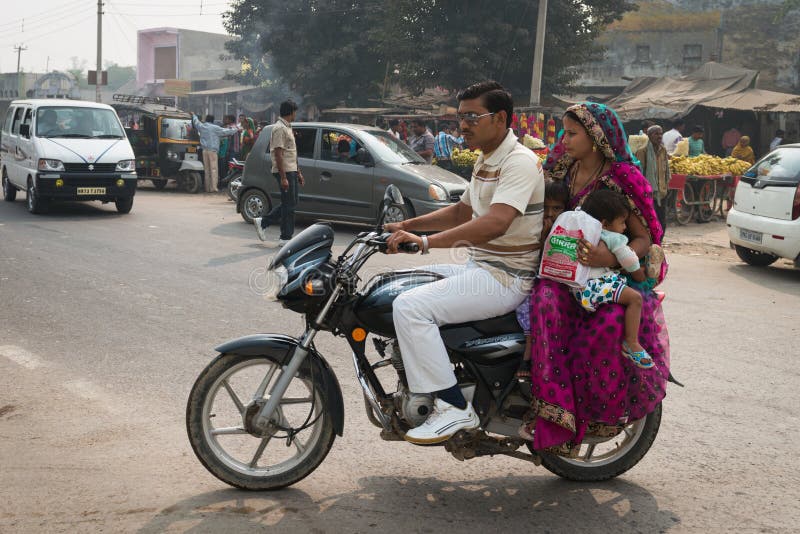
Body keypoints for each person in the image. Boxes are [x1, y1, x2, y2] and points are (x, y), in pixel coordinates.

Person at [384, 80, 544, 445]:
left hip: (506, 277)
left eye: (472, 117)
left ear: (500, 118)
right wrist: (405, 225)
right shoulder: (488, 159)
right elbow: (461, 211)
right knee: (396, 285)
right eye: (461, 118)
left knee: (410, 308)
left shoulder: (518, 162)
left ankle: (453, 406)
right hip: (481, 268)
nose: (463, 126)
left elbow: (496, 222)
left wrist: (424, 242)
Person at [526, 102, 669, 456]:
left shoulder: (622, 178)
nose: (565, 139)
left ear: (597, 137)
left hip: (604, 277)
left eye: (573, 133)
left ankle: (590, 418)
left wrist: (609, 256)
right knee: (545, 303)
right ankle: (554, 415)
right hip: (559, 275)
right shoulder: (560, 170)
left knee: (606, 328)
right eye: (564, 131)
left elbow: (644, 238)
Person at [515, 179, 569, 380]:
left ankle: (530, 349)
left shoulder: (569, 229)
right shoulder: (533, 226)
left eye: (557, 208)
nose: (550, 213)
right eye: (545, 207)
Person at [254, 100, 305, 245]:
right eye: (295, 111)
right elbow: (278, 154)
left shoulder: (287, 127)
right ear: (291, 112)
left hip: (291, 170)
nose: (296, 114)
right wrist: (283, 177)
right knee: (289, 205)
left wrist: (298, 172)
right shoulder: (279, 129)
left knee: (291, 203)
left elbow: (291, 153)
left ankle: (263, 222)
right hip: (284, 171)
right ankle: (285, 237)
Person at [635, 125, 671, 232]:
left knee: (662, 223)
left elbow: (666, 172)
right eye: (656, 134)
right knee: (650, 224)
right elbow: (639, 174)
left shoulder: (663, 150)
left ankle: (658, 245)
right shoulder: (642, 151)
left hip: (662, 193)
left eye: (661, 134)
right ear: (649, 136)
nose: (659, 136)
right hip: (648, 194)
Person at [191, 113, 238, 193]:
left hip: (204, 150)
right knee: (214, 169)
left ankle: (207, 188)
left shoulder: (202, 126)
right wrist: (236, 129)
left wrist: (193, 115)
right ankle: (213, 188)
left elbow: (196, 122)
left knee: (207, 169)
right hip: (212, 151)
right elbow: (226, 132)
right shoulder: (215, 128)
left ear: (206, 119)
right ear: (213, 120)